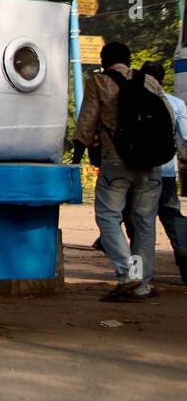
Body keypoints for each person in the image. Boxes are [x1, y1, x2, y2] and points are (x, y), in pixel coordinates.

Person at [73, 42, 171, 301]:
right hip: (150, 164)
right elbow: (168, 117)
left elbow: (86, 123)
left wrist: (76, 158)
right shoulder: (149, 81)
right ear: (129, 60)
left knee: (107, 216)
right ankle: (141, 284)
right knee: (144, 223)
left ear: (104, 61)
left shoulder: (99, 83)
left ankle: (128, 273)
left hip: (117, 162)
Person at [140, 62, 187, 284]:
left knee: (139, 224)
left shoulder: (132, 100)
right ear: (164, 80)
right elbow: (186, 137)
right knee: (172, 217)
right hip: (167, 171)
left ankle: (137, 276)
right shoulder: (176, 104)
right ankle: (183, 251)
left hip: (138, 172)